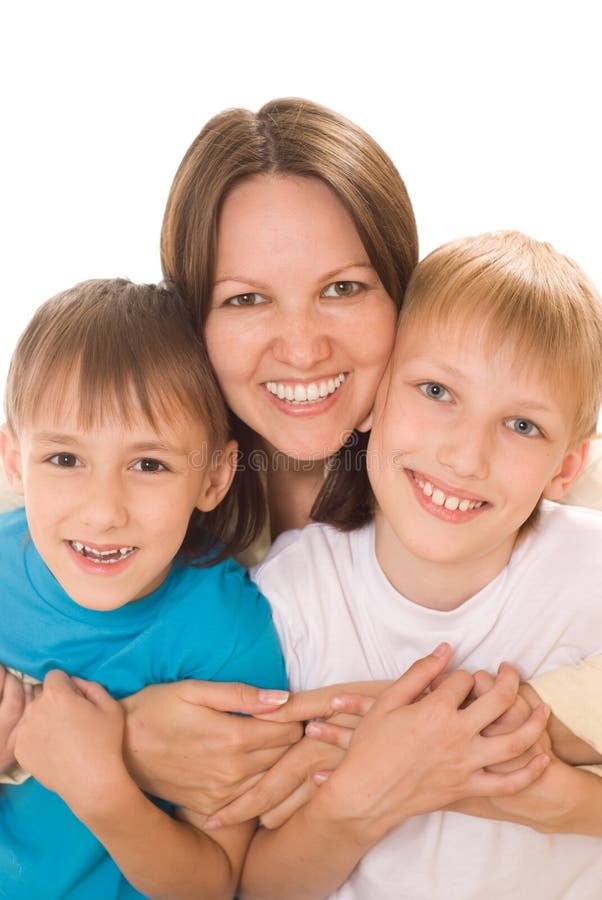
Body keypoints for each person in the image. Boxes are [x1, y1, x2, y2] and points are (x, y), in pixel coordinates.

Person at [1, 99, 600, 838]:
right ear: (195, 318)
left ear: (400, 294)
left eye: (343, 288)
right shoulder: (85, 479)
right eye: (247, 298)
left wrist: (506, 760)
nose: (303, 347)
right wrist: (111, 738)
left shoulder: (521, 471)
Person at [238, 231, 602, 899]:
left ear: (569, 466)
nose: (466, 457)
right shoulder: (294, 594)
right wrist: (356, 797)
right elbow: (259, 886)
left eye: (522, 425)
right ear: (373, 399)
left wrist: (562, 793)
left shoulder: (591, 573)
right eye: (436, 390)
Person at [0, 278, 291, 899]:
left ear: (213, 478)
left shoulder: (231, 637)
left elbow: (213, 884)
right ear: (13, 461)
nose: (103, 512)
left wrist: (103, 792)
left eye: (149, 465)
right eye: (65, 460)